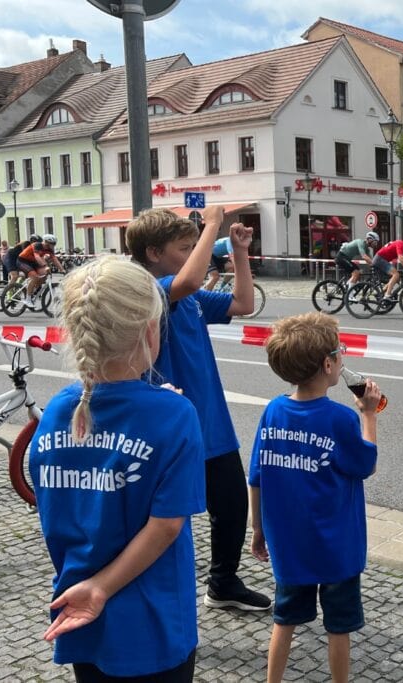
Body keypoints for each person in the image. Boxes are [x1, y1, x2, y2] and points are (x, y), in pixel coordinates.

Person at [30, 255, 206, 682]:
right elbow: (166, 527)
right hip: (153, 625)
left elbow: (53, 499)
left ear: (74, 332)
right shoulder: (175, 414)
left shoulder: (58, 412)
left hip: (79, 615)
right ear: (150, 330)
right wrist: (103, 589)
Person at [126, 205, 271, 612]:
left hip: (210, 421)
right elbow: (188, 280)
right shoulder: (147, 290)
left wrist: (240, 253)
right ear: (154, 252)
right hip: (169, 426)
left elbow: (242, 304)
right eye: (184, 247)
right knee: (170, 520)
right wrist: (210, 226)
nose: (193, 253)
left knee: (230, 507)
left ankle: (223, 583)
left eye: (195, 247)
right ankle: (156, 597)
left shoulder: (188, 297)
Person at [249, 311, 380, 683]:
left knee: (285, 618)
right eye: (340, 352)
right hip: (337, 546)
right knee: (339, 626)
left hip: (290, 543)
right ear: (328, 364)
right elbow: (364, 463)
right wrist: (369, 415)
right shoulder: (340, 418)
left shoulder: (274, 410)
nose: (343, 358)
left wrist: (257, 528)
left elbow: (256, 476)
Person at [17, 233, 65, 304]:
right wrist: (45, 266)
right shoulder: (37, 245)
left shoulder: (49, 250)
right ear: (47, 243)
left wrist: (62, 269)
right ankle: (28, 299)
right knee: (35, 277)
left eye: (54, 244)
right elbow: (37, 257)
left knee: (44, 275)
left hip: (33, 262)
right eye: (52, 244)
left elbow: (55, 260)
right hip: (23, 261)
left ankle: (32, 289)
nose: (53, 245)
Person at [371, 233, 403, 301]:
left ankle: (381, 293)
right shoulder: (400, 243)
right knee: (396, 274)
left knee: (396, 278)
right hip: (379, 259)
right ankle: (387, 295)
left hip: (383, 260)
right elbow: (401, 258)